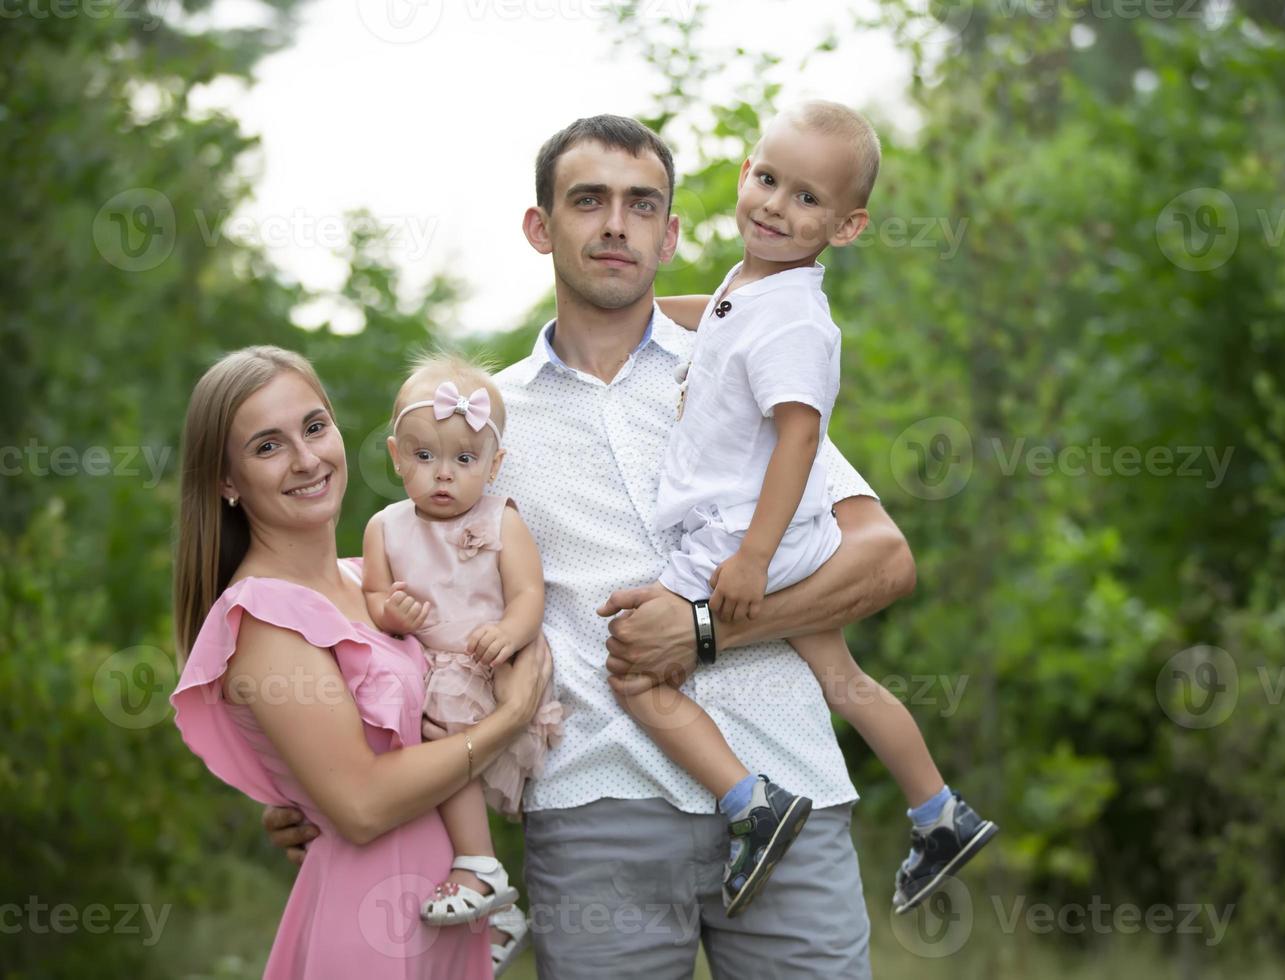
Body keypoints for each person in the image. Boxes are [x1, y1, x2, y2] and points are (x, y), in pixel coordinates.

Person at [265, 115, 914, 978]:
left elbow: (883, 561)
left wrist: (705, 631)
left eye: (642, 204)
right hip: (594, 807)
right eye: (588, 201)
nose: (616, 223)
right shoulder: (479, 425)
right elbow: (406, 616)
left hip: (787, 777)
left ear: (672, 232)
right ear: (542, 227)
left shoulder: (741, 363)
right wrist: (330, 771)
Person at [620, 101, 998, 918]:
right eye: (766, 179)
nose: (773, 205)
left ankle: (752, 804)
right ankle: (939, 812)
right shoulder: (753, 282)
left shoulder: (795, 317)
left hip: (743, 532)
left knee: (635, 667)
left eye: (806, 199)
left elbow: (799, 440)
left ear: (848, 225)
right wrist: (641, 312)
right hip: (768, 531)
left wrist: (753, 556)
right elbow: (711, 323)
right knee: (841, 676)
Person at [171, 345, 550, 978]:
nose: (306, 459)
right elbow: (362, 805)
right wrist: (508, 720)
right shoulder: (264, 616)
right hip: (373, 923)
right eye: (268, 447)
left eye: (315, 427)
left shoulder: (367, 583)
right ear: (226, 481)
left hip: (444, 903)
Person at [361, 349, 567, 967]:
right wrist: (391, 613)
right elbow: (373, 595)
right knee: (422, 748)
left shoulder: (502, 517)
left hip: (493, 665)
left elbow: (531, 592)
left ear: (494, 465)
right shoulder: (385, 527)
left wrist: (509, 629)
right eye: (424, 458)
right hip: (429, 668)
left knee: (444, 739)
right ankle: (499, 913)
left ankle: (482, 869)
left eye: (464, 459)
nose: (442, 475)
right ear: (397, 458)